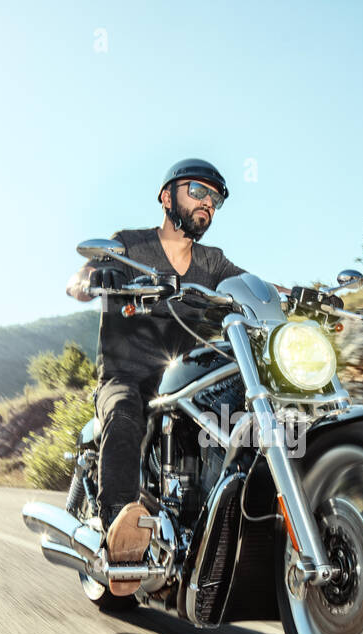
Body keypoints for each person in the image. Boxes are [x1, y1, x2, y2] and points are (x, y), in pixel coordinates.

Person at [65, 158, 288, 595]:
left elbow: (254, 286)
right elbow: (80, 278)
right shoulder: (128, 245)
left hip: (186, 377)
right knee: (126, 412)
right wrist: (94, 279)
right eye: (198, 192)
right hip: (127, 373)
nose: (208, 202)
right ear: (167, 197)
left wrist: (296, 294)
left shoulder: (212, 262)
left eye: (216, 197)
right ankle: (119, 532)